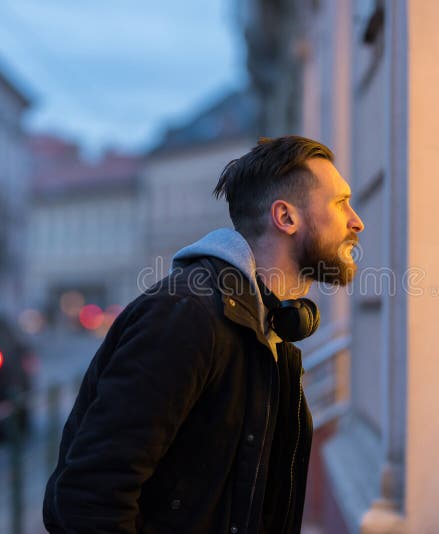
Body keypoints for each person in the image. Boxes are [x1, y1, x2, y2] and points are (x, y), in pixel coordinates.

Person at [42, 135, 364, 533]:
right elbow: (88, 499)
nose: (356, 220)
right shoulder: (185, 317)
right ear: (285, 217)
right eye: (340, 203)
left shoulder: (267, 324)